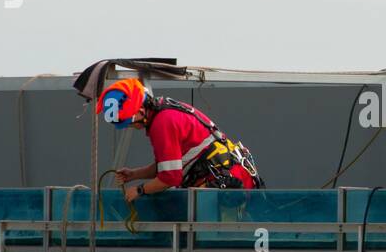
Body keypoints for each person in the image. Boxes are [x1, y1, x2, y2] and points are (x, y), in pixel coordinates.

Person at [96, 78, 264, 199]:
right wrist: (135, 174)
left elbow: (170, 177)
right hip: (230, 182)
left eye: (129, 123)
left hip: (226, 190)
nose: (130, 127)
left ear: (140, 111)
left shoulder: (162, 124)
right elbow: (168, 166)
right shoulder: (164, 112)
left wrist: (139, 190)